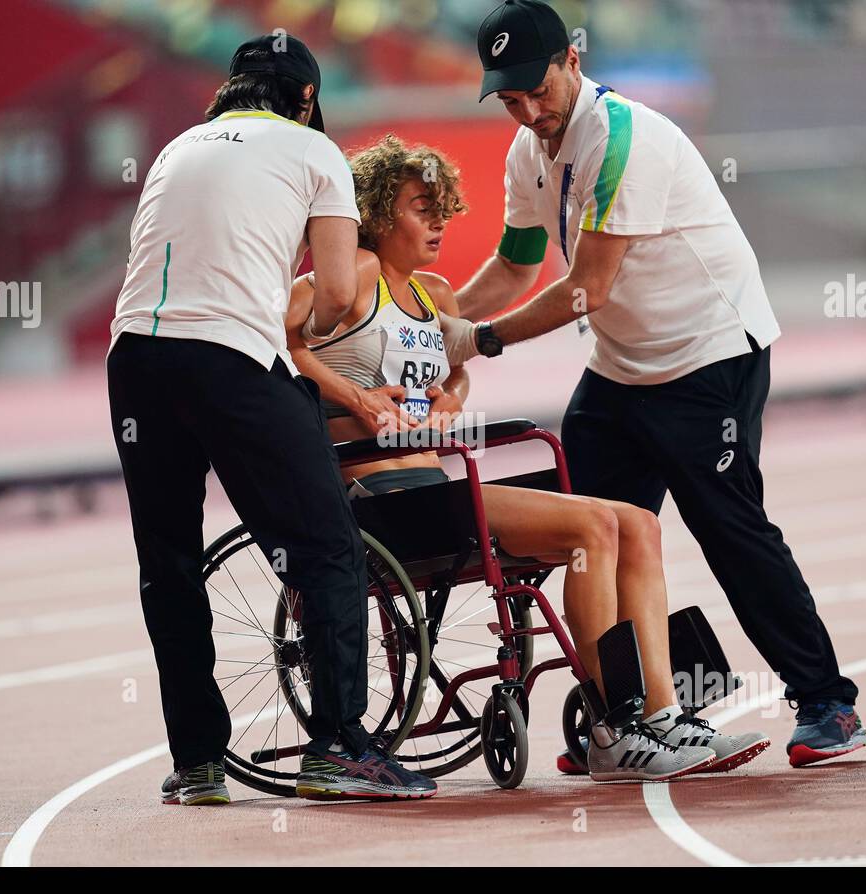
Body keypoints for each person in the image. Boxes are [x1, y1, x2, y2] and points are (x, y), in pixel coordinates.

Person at [456, 0, 866, 767]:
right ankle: (641, 716)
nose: (527, 108)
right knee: (598, 538)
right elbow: (515, 266)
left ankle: (827, 704)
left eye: (537, 89)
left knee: (727, 528)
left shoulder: (624, 137)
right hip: (621, 367)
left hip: (709, 352)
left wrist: (479, 339)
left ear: (572, 61)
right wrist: (427, 319)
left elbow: (589, 287)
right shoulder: (527, 151)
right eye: (509, 97)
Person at [285, 135, 770, 781]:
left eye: (442, 207)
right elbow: (279, 350)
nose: (438, 221)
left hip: (432, 482)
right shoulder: (353, 279)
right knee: (595, 525)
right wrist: (359, 400)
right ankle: (613, 727)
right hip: (375, 496)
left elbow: (453, 374)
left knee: (638, 523)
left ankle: (659, 714)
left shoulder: (436, 294)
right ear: (374, 213)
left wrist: (450, 402)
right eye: (419, 207)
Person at [108, 35, 437, 804]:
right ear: (306, 100)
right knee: (326, 548)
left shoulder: (175, 148)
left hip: (134, 361)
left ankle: (197, 763)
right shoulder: (315, 152)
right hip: (229, 358)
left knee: (169, 563)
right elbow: (334, 301)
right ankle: (340, 748)